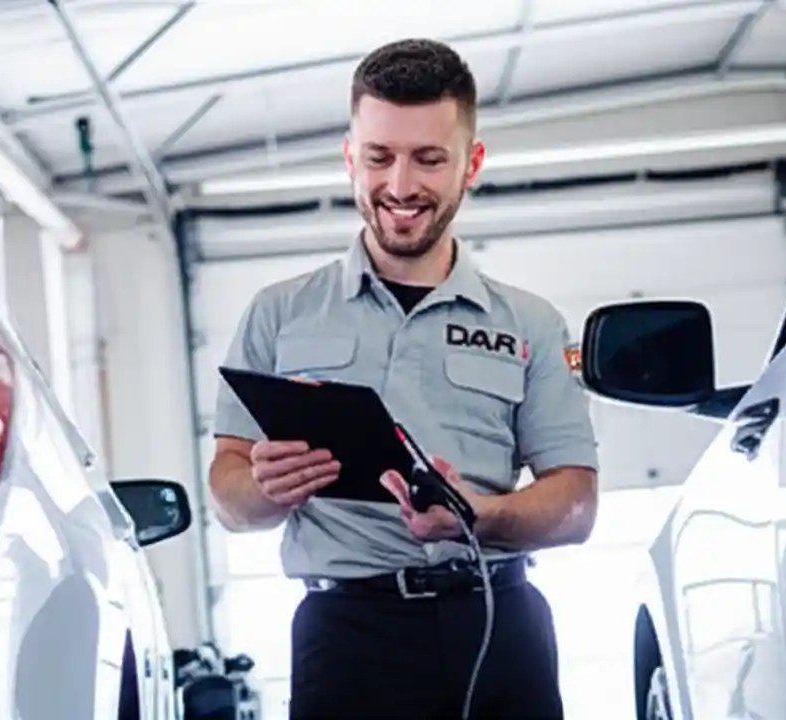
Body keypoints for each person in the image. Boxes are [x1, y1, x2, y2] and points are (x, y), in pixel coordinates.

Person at [207, 37, 600, 719]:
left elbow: (576, 504)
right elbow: (227, 494)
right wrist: (264, 491)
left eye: (428, 159)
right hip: (344, 639)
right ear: (349, 157)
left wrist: (482, 515)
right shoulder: (278, 313)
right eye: (379, 158)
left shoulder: (531, 323)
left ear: (470, 164)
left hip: (496, 624)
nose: (400, 186)